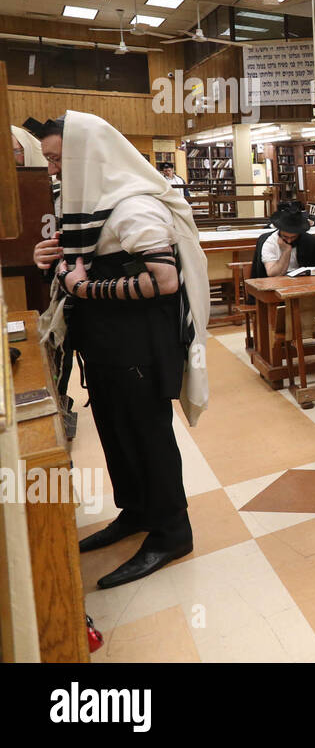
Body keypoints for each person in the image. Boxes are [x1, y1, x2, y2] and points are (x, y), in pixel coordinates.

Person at [32, 111, 209, 588]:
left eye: (57, 159)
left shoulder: (133, 206)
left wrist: (84, 289)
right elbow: (80, 265)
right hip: (109, 348)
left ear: (85, 157)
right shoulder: (94, 204)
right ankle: (137, 511)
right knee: (116, 431)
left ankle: (172, 529)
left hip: (139, 350)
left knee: (148, 435)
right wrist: (49, 259)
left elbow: (164, 282)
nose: (52, 169)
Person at [251, 206, 315, 278]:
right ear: (280, 231)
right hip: (272, 284)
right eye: (285, 237)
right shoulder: (269, 241)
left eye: (293, 237)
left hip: (305, 283)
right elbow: (273, 274)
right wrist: (286, 251)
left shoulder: (313, 242)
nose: (289, 240)